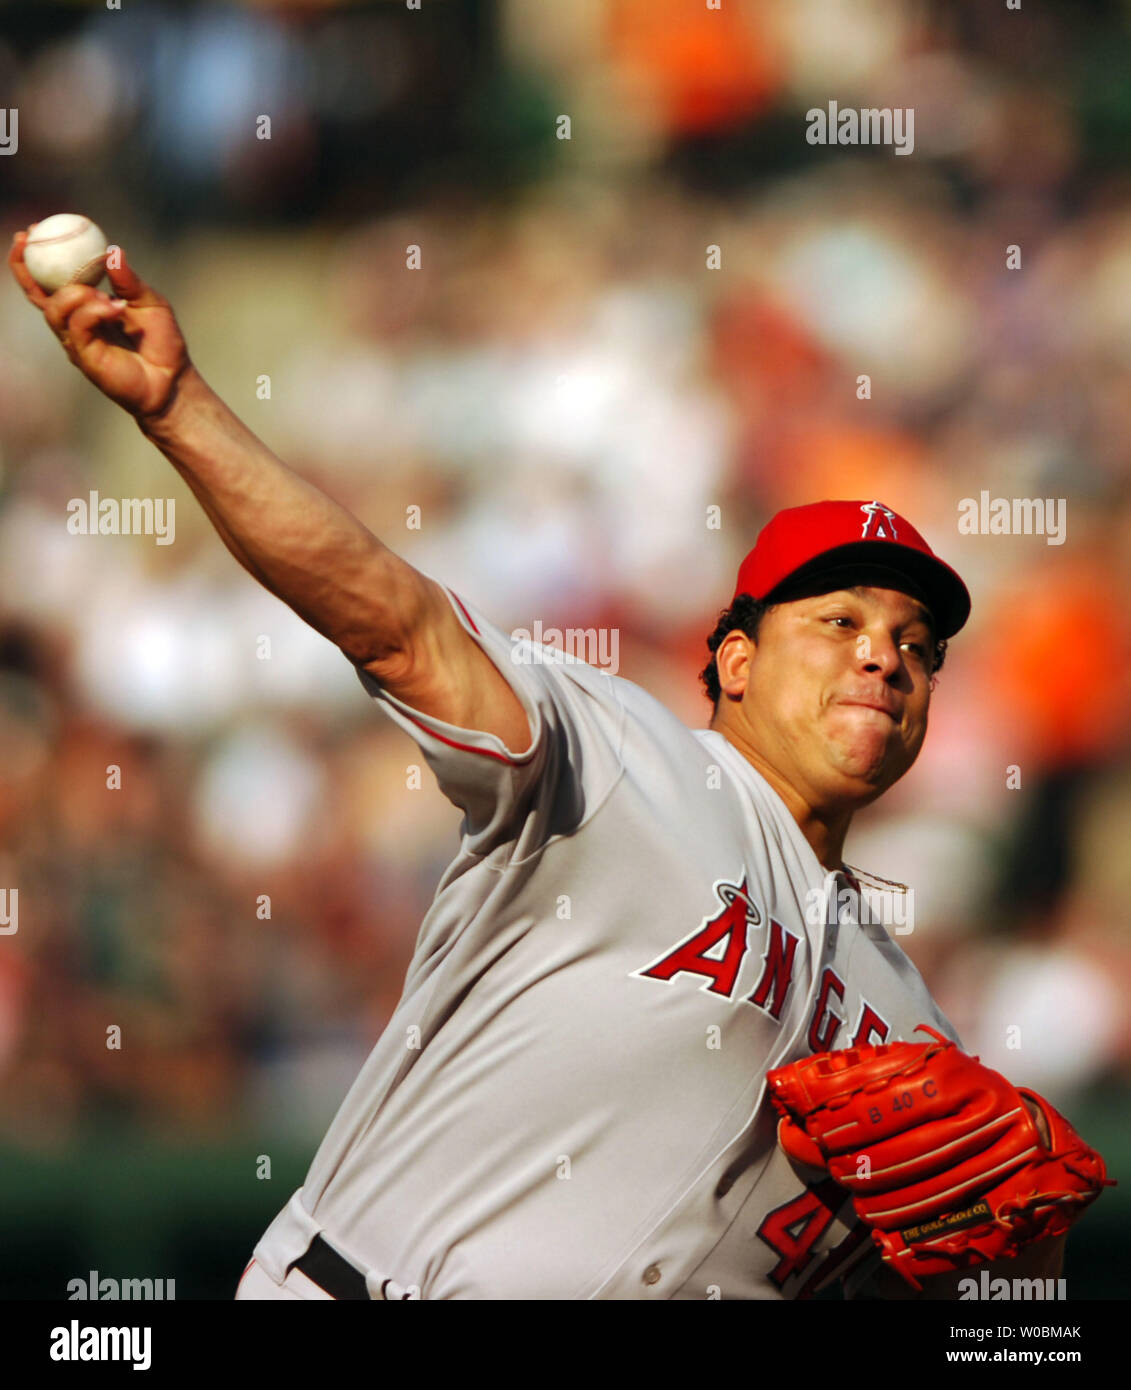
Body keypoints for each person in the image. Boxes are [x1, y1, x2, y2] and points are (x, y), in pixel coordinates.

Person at [9, 233, 1085, 1301]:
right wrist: (179, 405)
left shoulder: (915, 1027)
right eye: (842, 618)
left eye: (916, 645)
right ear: (738, 661)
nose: (883, 655)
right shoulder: (616, 756)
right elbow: (398, 625)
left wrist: (1031, 1262)